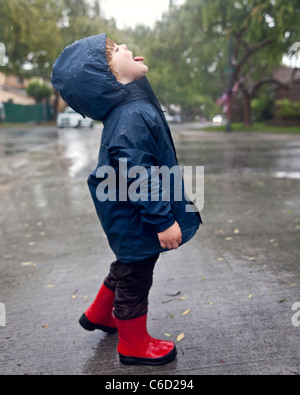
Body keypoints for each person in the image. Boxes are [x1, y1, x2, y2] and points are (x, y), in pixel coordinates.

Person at [51, 33, 203, 366]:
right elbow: (141, 177)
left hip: (129, 215)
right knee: (136, 275)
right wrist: (163, 221)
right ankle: (133, 344)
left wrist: (131, 68)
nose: (126, 47)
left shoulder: (131, 106)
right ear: (110, 79)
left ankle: (99, 314)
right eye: (117, 50)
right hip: (138, 216)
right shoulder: (131, 116)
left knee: (128, 261)